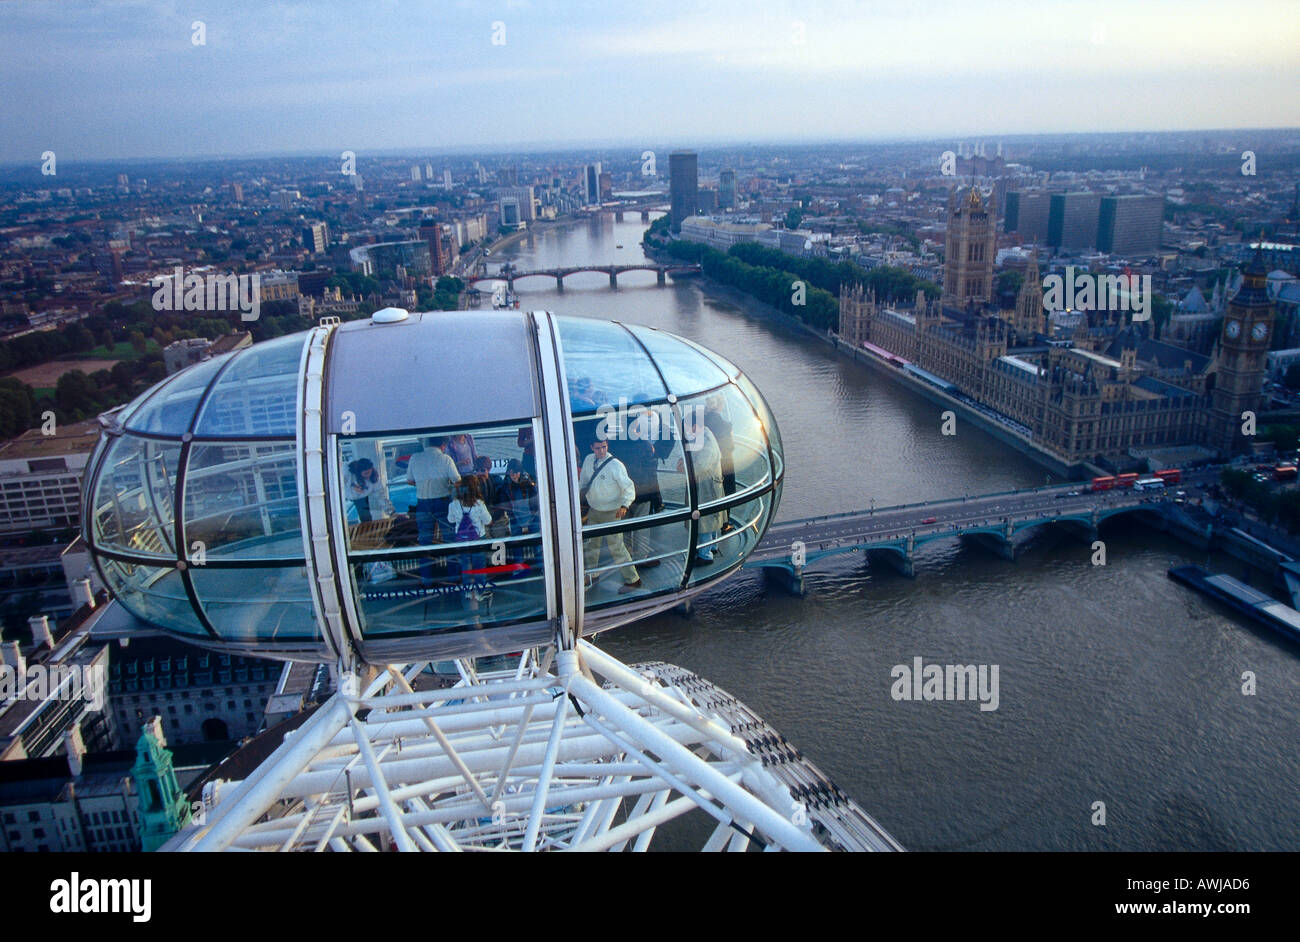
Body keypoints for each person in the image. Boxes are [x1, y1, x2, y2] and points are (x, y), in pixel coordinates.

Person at [579, 437, 641, 592]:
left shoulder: (615, 465)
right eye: (598, 448)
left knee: (616, 547)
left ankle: (633, 579)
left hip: (613, 512)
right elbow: (583, 482)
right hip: (594, 510)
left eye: (604, 447)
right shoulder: (588, 460)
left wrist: (625, 505)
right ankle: (592, 574)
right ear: (591, 447)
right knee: (592, 544)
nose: (601, 451)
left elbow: (628, 487)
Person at [611, 402, 662, 566]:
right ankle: (641, 558)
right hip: (641, 492)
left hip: (622, 493)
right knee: (641, 526)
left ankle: (626, 556)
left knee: (625, 526)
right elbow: (650, 470)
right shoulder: (644, 445)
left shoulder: (616, 443)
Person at [405, 437, 461, 584]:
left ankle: (427, 579)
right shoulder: (446, 459)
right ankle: (453, 577)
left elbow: (410, 480)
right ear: (443, 445)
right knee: (450, 540)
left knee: (425, 542)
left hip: (423, 503)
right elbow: (457, 481)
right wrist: (446, 485)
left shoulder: (415, 458)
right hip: (443, 502)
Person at [678, 412, 726, 565]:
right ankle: (712, 546)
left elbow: (700, 466)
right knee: (711, 519)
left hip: (706, 488)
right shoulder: (704, 436)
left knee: (704, 522)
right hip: (709, 485)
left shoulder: (706, 441)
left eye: (687, 427)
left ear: (695, 426)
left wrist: (683, 467)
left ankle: (705, 556)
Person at [704, 394, 737, 498]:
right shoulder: (724, 425)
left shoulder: (703, 420)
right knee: (726, 493)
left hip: (709, 463)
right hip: (724, 462)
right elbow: (730, 447)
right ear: (720, 406)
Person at [346, 458, 392, 523]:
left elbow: (381, 496)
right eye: (365, 474)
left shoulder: (374, 480)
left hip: (361, 499)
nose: (367, 476)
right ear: (358, 472)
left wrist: (391, 512)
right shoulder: (348, 474)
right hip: (344, 497)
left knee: (366, 518)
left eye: (369, 472)